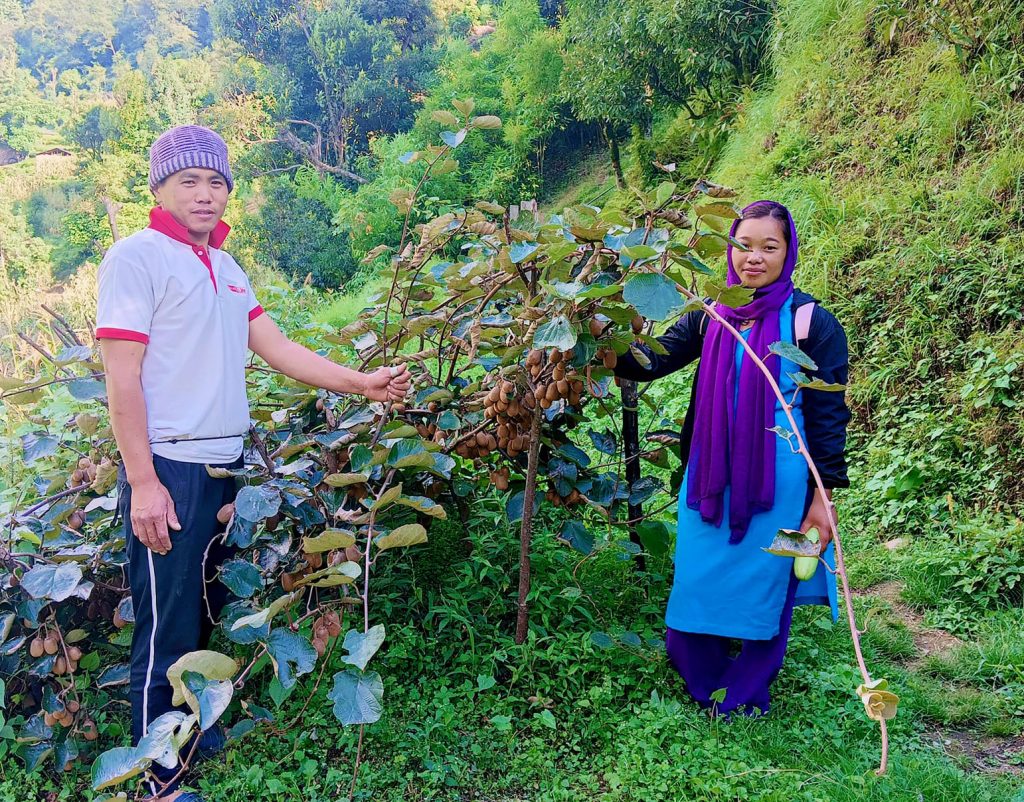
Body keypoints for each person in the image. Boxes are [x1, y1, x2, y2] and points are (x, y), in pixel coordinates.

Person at [96, 125, 411, 801]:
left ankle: (191, 732)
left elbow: (278, 347)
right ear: (159, 188)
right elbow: (122, 379)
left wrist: (362, 383)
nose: (205, 195)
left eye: (216, 182)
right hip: (170, 468)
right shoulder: (137, 258)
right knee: (166, 624)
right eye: (189, 181)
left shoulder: (228, 268)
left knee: (206, 609)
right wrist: (144, 483)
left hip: (225, 469)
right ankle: (157, 776)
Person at [616, 200, 850, 717]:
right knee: (695, 579)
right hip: (708, 477)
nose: (754, 257)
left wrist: (822, 500)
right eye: (744, 245)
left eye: (770, 246)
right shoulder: (710, 317)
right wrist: (597, 331)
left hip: (782, 484)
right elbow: (650, 362)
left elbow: (829, 419)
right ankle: (705, 681)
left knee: (770, 583)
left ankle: (745, 695)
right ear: (730, 250)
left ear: (788, 253)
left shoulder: (812, 323)